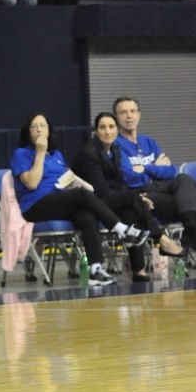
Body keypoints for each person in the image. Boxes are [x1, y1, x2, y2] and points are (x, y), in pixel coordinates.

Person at [11, 112, 149, 287]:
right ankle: (122, 230)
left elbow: (65, 178)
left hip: (60, 200)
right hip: (35, 206)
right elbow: (31, 183)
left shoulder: (56, 155)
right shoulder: (21, 154)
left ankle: (96, 270)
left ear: (49, 130)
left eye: (43, 125)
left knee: (86, 215)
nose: (39, 129)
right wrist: (39, 153)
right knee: (80, 195)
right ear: (27, 132)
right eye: (34, 126)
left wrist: (79, 183)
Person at [73, 112, 184, 282]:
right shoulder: (90, 153)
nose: (107, 131)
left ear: (117, 130)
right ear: (96, 131)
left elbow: (120, 183)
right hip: (90, 203)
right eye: (102, 127)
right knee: (133, 198)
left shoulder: (115, 149)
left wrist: (134, 200)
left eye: (111, 127)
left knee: (132, 212)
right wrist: (132, 198)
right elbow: (101, 191)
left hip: (107, 200)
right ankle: (160, 238)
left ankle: (138, 270)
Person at [113, 96, 196, 251]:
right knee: (188, 201)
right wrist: (155, 168)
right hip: (140, 194)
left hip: (160, 186)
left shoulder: (149, 141)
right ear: (117, 118)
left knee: (183, 178)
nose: (129, 116)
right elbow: (129, 177)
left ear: (139, 115)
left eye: (132, 111)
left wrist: (145, 168)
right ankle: (192, 232)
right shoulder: (116, 145)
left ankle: (191, 229)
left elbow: (171, 171)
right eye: (123, 112)